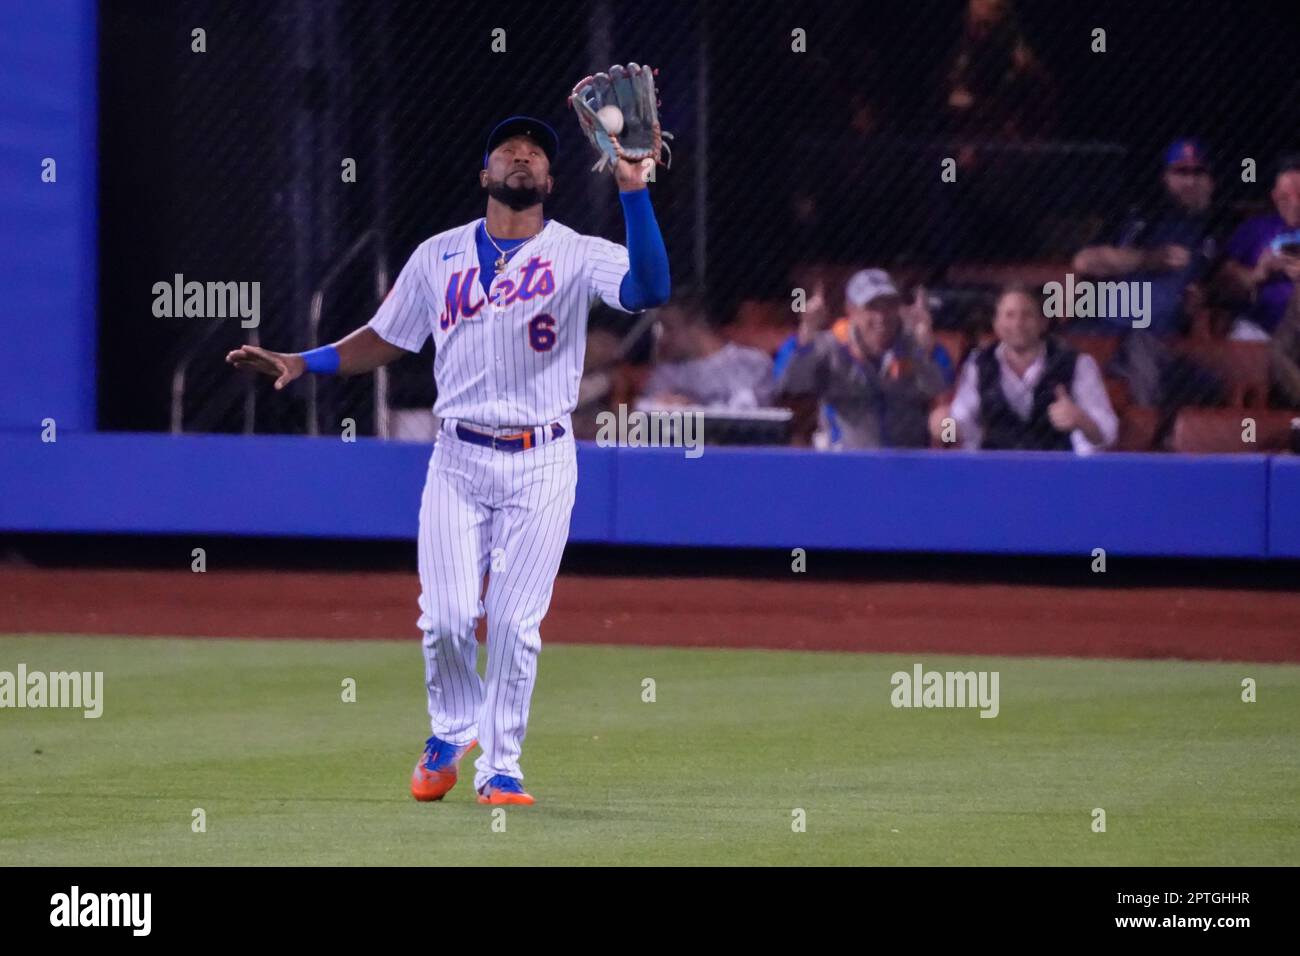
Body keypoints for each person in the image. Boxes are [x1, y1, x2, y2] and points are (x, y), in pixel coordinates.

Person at [226, 115, 669, 806]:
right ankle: (451, 729)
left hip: (543, 461)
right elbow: (386, 338)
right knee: (448, 617)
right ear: (484, 175)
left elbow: (650, 290)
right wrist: (298, 360)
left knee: (516, 622)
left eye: (534, 155)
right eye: (507, 151)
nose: (521, 158)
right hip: (457, 457)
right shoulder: (438, 256)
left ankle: (501, 768)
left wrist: (633, 187)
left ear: (550, 182)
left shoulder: (578, 252)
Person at [1071, 138, 1224, 411]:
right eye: (1181, 172)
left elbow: (1221, 285)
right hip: (1106, 327)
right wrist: (1150, 258)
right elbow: (1085, 262)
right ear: (1165, 177)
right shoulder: (1142, 217)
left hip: (1161, 339)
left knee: (1203, 380)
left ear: (1211, 180)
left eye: (1198, 173)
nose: (1190, 182)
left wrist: (1203, 295)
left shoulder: (1215, 228)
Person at [935, 285, 1117, 453]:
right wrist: (945, 428)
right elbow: (959, 426)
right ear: (996, 324)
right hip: (995, 473)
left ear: (1043, 322)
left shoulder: (1078, 363)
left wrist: (1081, 420)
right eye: (1009, 315)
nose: (1018, 324)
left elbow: (1107, 435)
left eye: (1027, 315)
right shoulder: (978, 364)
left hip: (1059, 472)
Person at [777, 269, 944, 449]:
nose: (881, 317)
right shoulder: (828, 347)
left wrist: (923, 349)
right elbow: (793, 385)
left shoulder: (915, 345)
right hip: (846, 461)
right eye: (872, 307)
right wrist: (807, 331)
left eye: (888, 306)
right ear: (851, 310)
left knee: (946, 422)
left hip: (906, 460)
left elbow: (938, 390)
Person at [639, 294, 774, 408]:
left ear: (695, 325)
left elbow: (770, 422)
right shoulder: (666, 375)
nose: (663, 338)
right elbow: (642, 423)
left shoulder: (753, 363)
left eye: (669, 328)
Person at [1218, 154, 1300, 341]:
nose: (1295, 204)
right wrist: (1258, 273)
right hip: (1258, 329)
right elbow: (1224, 276)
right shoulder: (1255, 228)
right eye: (1286, 197)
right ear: (1274, 196)